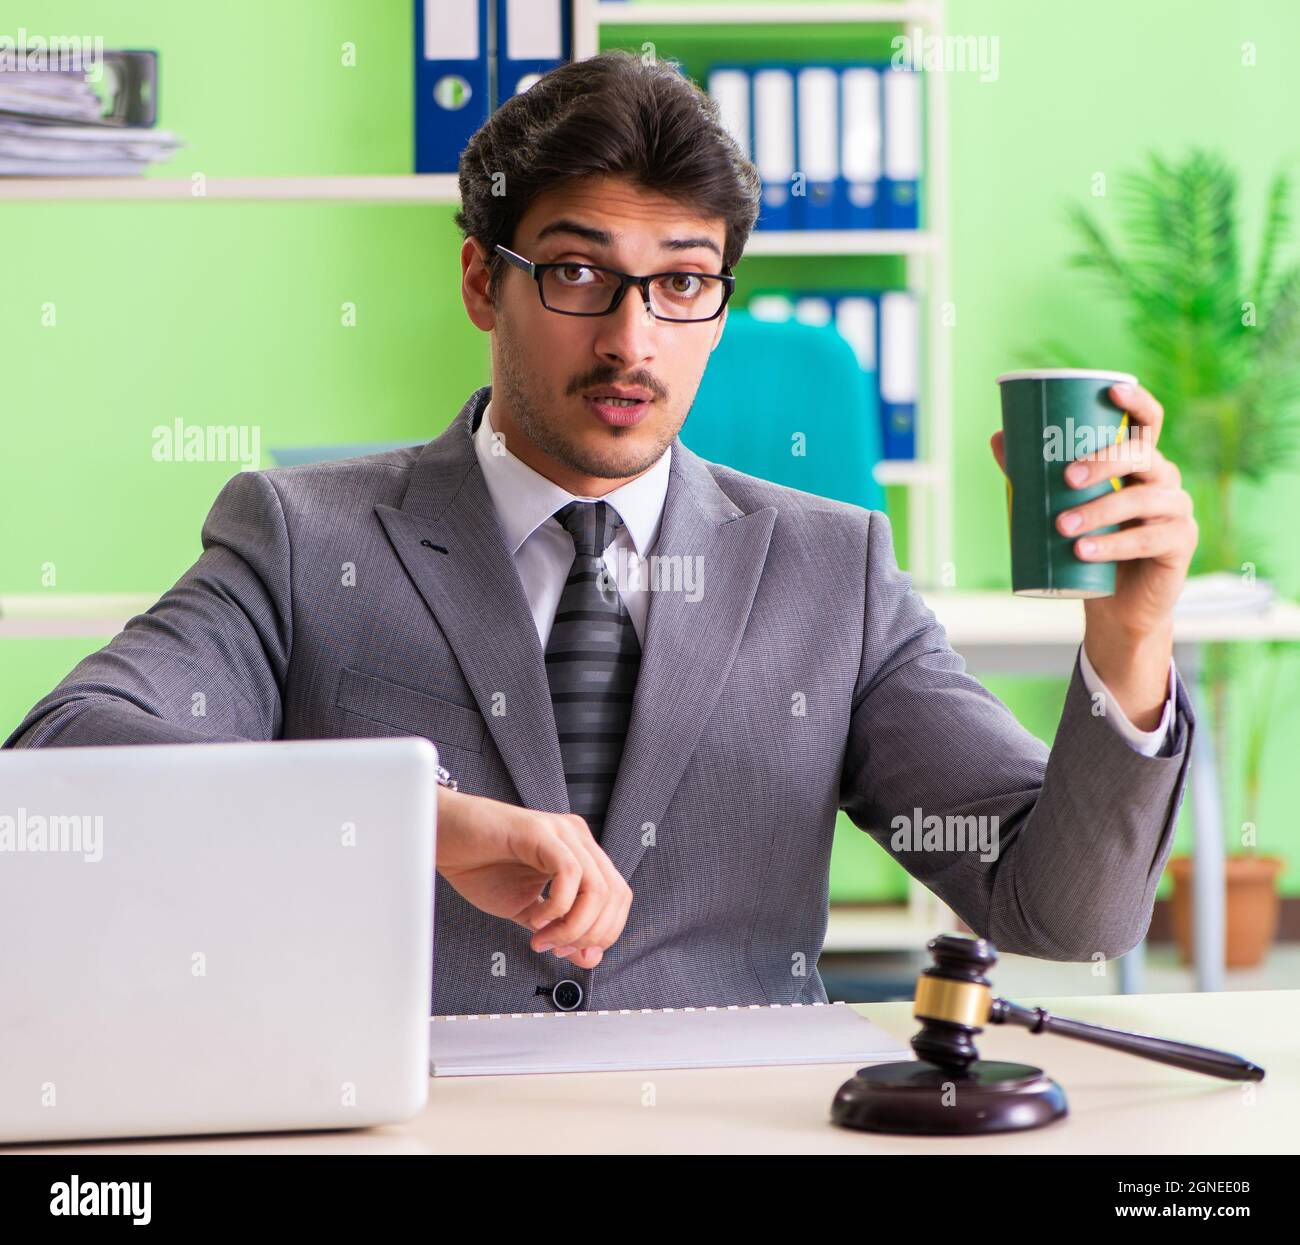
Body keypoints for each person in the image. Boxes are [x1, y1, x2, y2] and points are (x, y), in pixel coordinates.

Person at [4, 52, 1198, 1014]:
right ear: (484, 282)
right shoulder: (303, 535)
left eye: (682, 283)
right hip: (404, 1119)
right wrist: (409, 815)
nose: (632, 341)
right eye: (578, 274)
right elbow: (63, 765)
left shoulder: (833, 570)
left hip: (722, 1132)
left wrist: (1131, 644)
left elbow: (1062, 915)